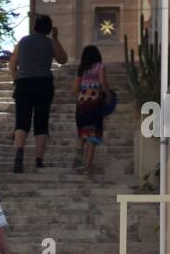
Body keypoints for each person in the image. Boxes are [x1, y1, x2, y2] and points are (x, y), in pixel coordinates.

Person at [9, 15, 69, 173]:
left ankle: (20, 152)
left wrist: (16, 80)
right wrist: (55, 38)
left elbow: (13, 63)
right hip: (44, 83)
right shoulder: (49, 43)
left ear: (34, 27)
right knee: (41, 122)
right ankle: (38, 159)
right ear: (49, 29)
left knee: (22, 120)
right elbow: (63, 59)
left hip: (24, 83)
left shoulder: (23, 42)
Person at [74, 45, 111, 175]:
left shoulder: (81, 69)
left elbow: (75, 88)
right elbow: (102, 81)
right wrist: (108, 94)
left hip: (81, 103)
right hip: (94, 103)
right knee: (92, 135)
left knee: (83, 132)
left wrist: (84, 90)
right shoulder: (100, 67)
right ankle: (87, 165)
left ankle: (78, 160)